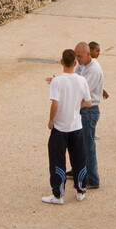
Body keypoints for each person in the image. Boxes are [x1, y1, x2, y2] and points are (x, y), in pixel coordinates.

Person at [42, 48, 93, 205]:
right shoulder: (81, 80)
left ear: (62, 62)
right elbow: (89, 102)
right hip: (76, 126)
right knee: (79, 159)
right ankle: (80, 190)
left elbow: (55, 104)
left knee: (57, 161)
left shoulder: (57, 81)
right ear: (75, 62)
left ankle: (58, 194)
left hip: (60, 128)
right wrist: (76, 105)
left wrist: (51, 120)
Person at [74, 41, 106, 189]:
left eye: (79, 56)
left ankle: (93, 179)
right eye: (76, 56)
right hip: (81, 109)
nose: (77, 60)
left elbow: (82, 92)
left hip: (89, 111)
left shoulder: (94, 70)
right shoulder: (81, 65)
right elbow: (74, 81)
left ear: (88, 55)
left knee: (88, 145)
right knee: (78, 144)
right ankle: (78, 171)